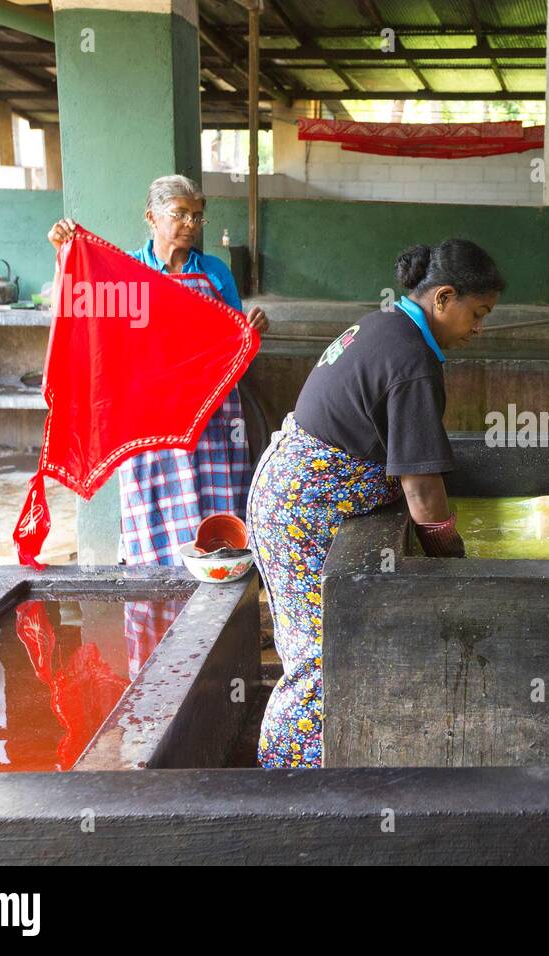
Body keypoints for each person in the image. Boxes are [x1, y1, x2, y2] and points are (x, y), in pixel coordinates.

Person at [248, 238, 506, 767]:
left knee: (313, 650)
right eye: (477, 314)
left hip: (291, 494)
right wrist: (454, 557)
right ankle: (286, 787)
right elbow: (421, 491)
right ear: (444, 298)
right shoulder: (411, 358)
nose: (479, 328)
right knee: (320, 659)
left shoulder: (387, 322)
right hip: (302, 510)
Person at [47, 174, 269, 565]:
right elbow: (84, 315)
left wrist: (249, 332)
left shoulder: (215, 272)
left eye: (197, 217)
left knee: (215, 500)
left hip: (212, 413)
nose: (190, 224)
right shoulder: (129, 269)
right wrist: (64, 255)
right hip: (148, 413)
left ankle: (219, 590)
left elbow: (233, 342)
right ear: (151, 216)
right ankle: (156, 590)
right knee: (153, 499)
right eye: (180, 214)